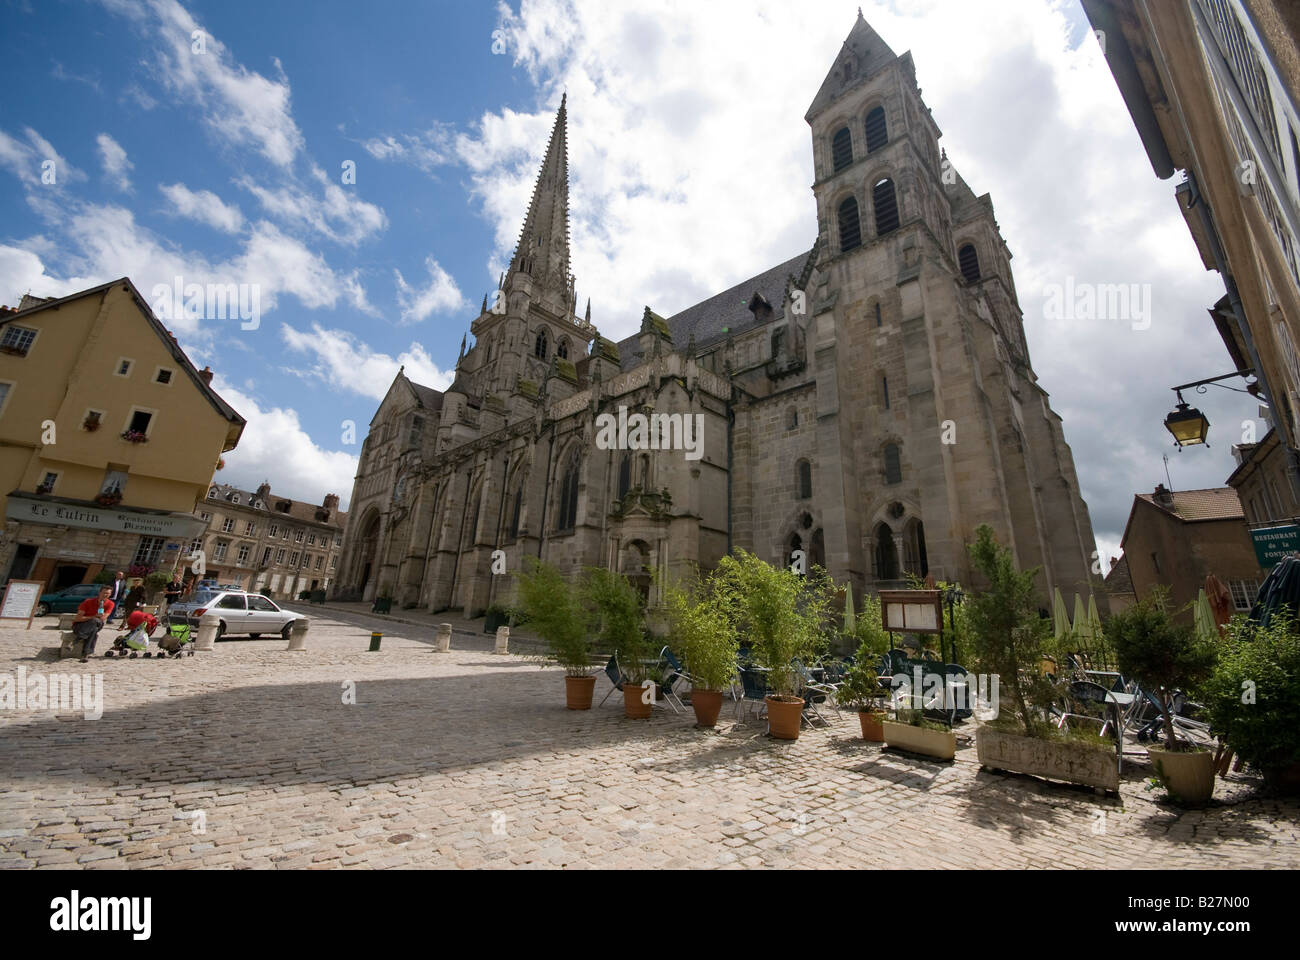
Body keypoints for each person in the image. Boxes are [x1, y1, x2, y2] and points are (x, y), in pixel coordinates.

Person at [72, 586, 115, 662]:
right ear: (99, 593)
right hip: (80, 626)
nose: (105, 595)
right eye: (104, 593)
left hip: (98, 624)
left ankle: (77, 639)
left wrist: (97, 617)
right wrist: (93, 617)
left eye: (107, 593)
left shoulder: (110, 604)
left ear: (110, 595)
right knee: (94, 629)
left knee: (95, 622)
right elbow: (77, 618)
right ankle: (86, 654)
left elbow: (103, 618)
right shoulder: (88, 602)